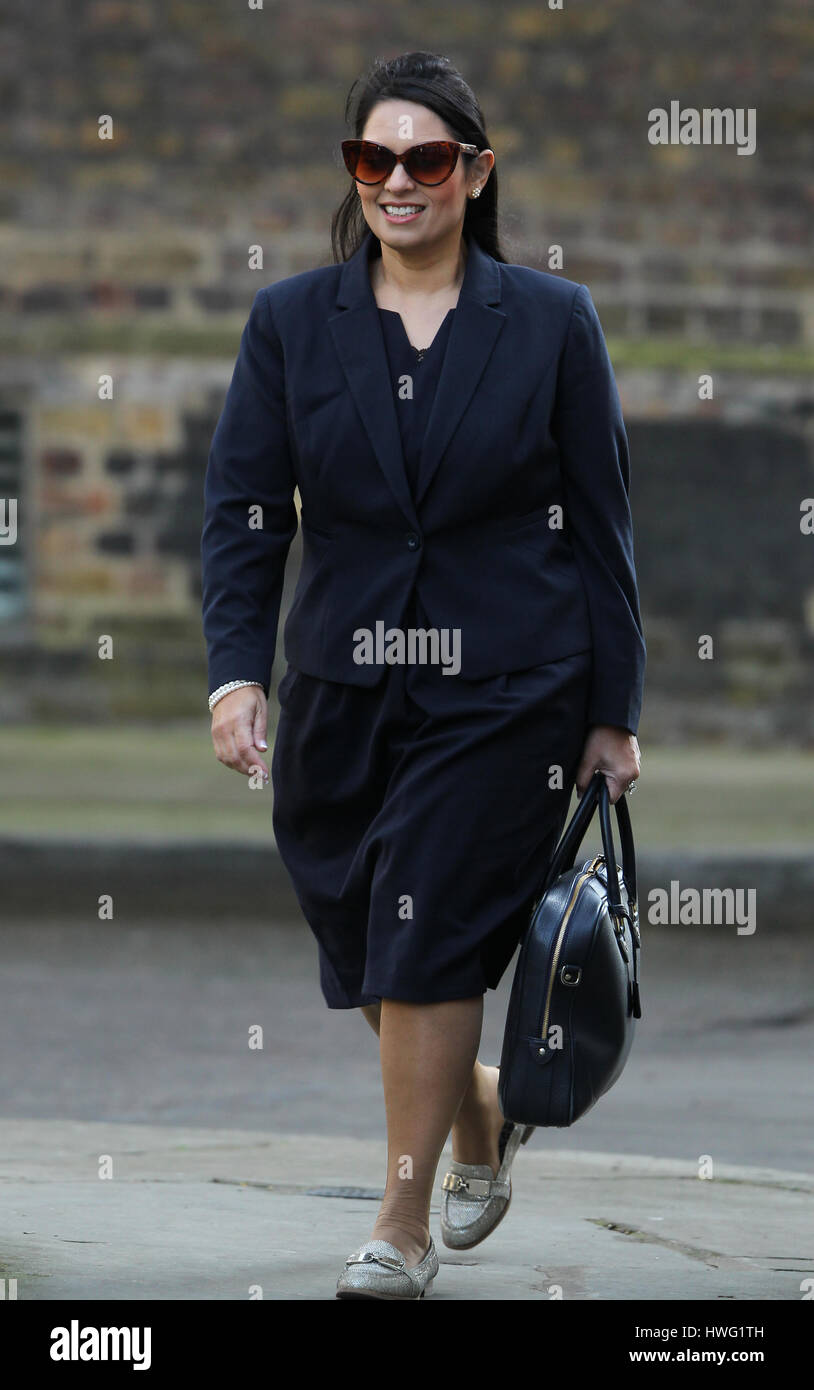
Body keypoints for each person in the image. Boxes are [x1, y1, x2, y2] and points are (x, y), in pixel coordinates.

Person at [201, 51, 644, 1300]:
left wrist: (614, 710)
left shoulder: (553, 323)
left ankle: (397, 1225)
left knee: (431, 932)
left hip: (508, 681)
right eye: (373, 158)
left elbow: (605, 524)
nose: (398, 180)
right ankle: (476, 1107)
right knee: (361, 924)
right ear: (355, 172)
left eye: (427, 158)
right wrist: (237, 674)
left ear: (474, 172)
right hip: (340, 677)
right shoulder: (290, 322)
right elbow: (244, 511)